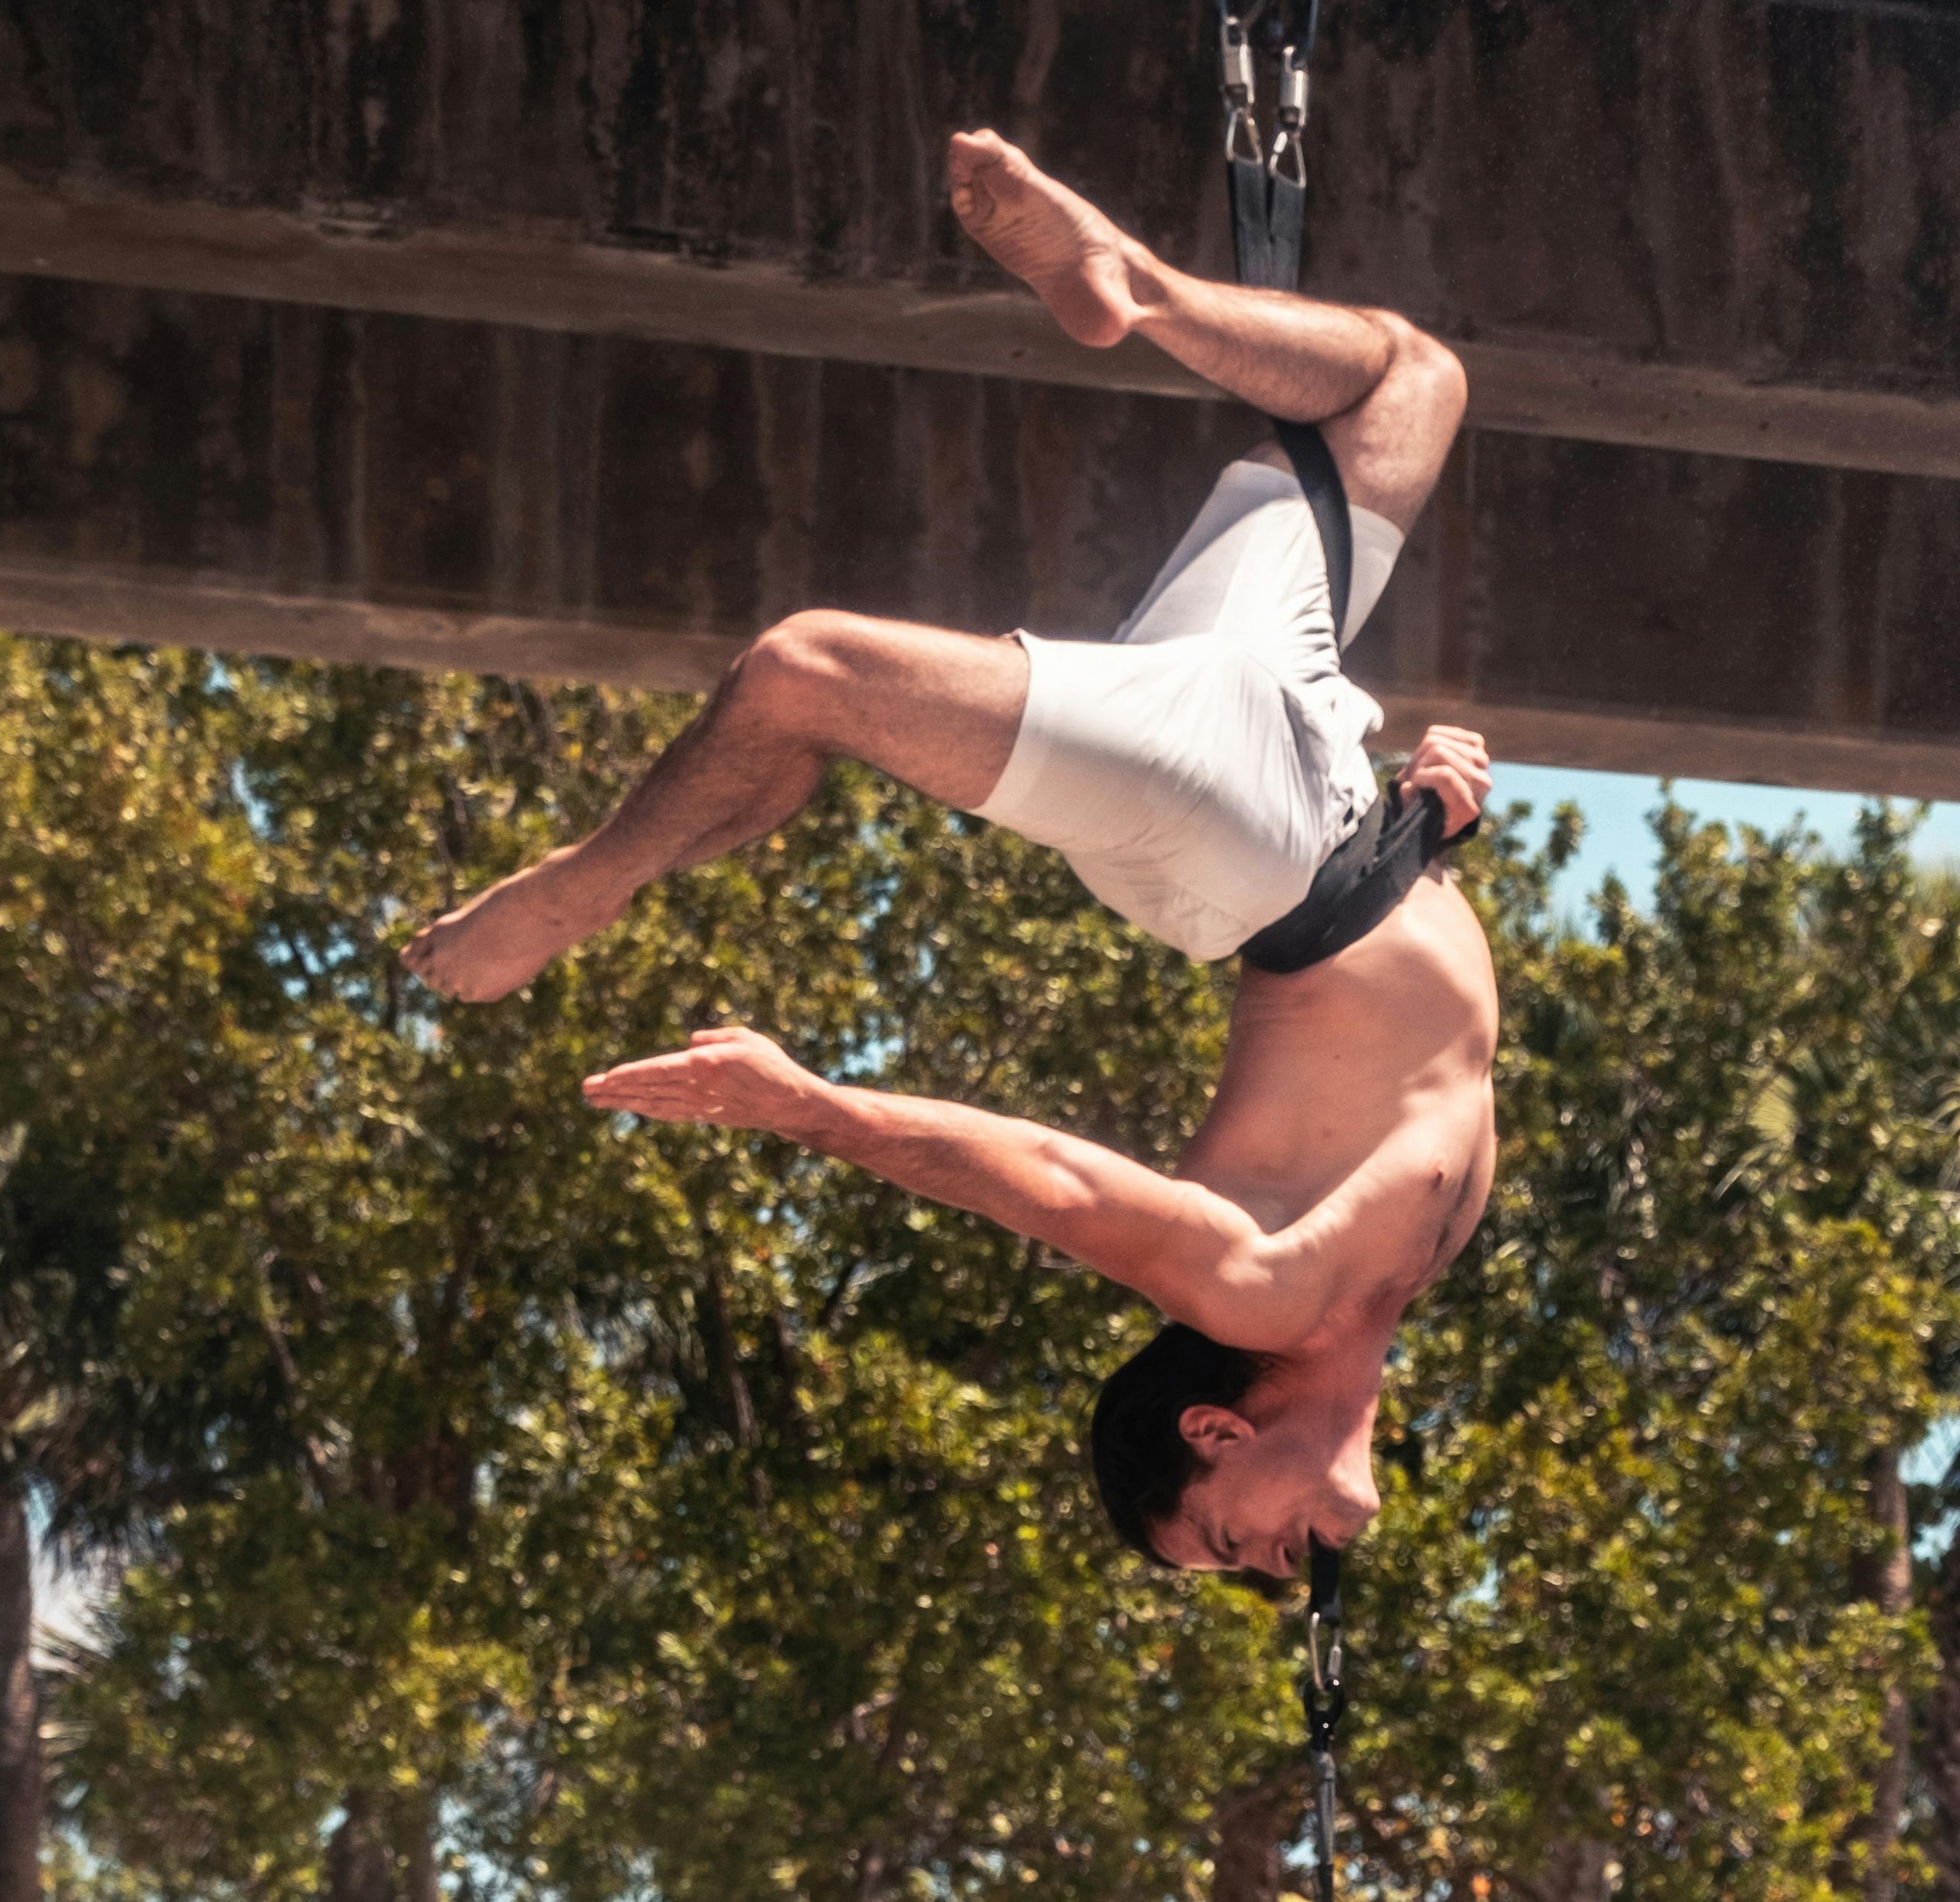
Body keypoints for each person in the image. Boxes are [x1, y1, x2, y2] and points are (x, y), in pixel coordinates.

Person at [401, 131, 1499, 1600]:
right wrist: (1437, 828)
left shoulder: (1261, 1287)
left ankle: (583, 886)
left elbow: (1046, 1180)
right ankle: (1139, 285)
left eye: (1233, 1538)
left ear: (1216, 1428)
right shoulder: (1392, 1282)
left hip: (1243, 829)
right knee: (1412, 382)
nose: (1281, 1574)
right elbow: (1413, 1033)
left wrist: (814, 1110)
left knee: (808, 670)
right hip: (1331, 809)